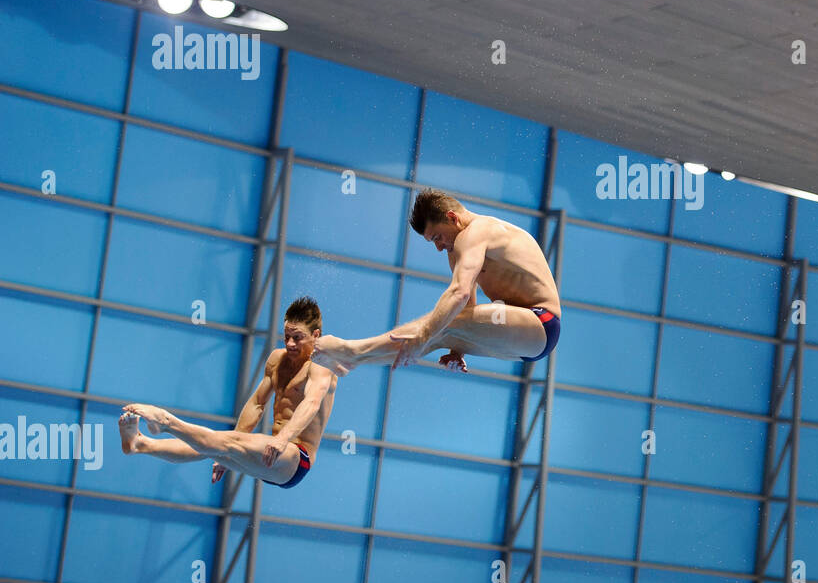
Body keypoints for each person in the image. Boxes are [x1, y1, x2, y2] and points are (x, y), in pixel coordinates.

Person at [312, 189, 560, 375]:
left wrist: (423, 335)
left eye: (438, 237)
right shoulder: (456, 250)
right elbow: (467, 309)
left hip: (540, 322)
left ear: (453, 217)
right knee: (438, 333)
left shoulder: (477, 232)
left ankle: (353, 350)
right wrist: (457, 351)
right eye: (433, 242)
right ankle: (356, 361)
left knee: (435, 328)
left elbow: (459, 293)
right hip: (524, 343)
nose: (440, 248)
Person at [119, 297, 337, 489]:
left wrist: (282, 439)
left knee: (222, 443)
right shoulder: (276, 360)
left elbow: (312, 403)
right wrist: (231, 446)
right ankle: (140, 445)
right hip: (271, 452)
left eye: (297, 337)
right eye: (286, 336)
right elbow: (257, 404)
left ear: (315, 335)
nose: (290, 343)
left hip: (295, 459)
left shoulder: (322, 365)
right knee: (216, 446)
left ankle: (166, 421)